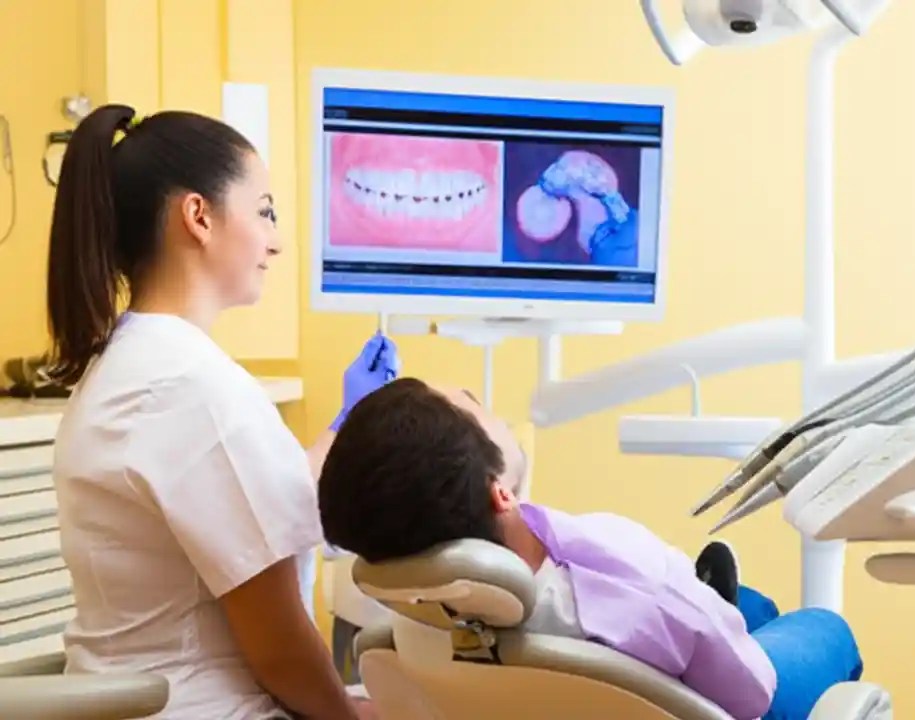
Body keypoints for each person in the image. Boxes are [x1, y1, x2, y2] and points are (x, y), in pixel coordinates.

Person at [45, 103, 397, 719]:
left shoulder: (133, 364)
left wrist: (347, 422)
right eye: (265, 211)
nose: (277, 240)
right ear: (199, 216)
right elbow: (280, 649)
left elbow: (246, 502)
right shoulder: (191, 387)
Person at [317, 377, 865, 720]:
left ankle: (723, 604)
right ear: (500, 490)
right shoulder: (611, 577)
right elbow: (751, 692)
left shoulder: (415, 623)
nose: (488, 405)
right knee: (825, 628)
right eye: (477, 406)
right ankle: (717, 607)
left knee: (752, 606)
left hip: (622, 650)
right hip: (726, 691)